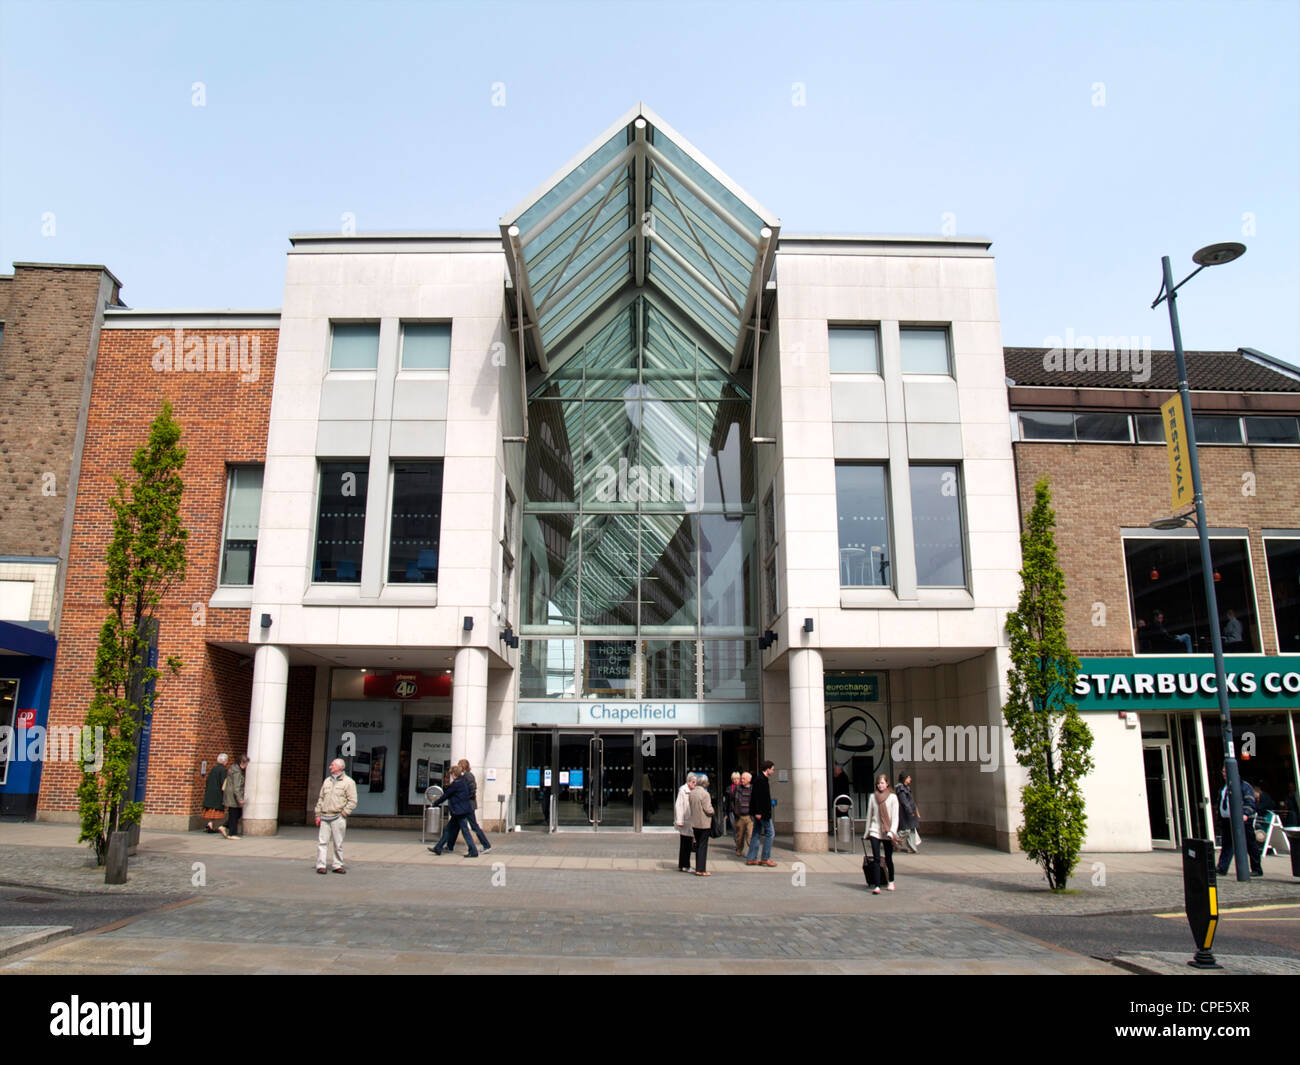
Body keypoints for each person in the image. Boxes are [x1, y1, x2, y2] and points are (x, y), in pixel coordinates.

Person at [1215, 765, 1262, 877]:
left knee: (1250, 844)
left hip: (1242, 820)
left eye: (1226, 771)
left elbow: (1250, 801)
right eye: (1223, 771)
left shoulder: (1243, 786)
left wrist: (1245, 814)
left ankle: (1256, 868)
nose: (1224, 773)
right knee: (1227, 844)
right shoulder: (1224, 787)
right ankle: (1222, 867)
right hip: (1227, 820)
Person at [314, 757, 358, 874]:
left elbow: (352, 801)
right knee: (322, 842)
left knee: (338, 843)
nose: (330, 767)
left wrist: (344, 813)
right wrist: (318, 814)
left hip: (338, 816)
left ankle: (337, 864)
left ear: (339, 767)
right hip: (325, 816)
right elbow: (321, 798)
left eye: (332, 765)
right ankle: (320, 865)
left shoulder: (348, 782)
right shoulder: (327, 781)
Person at [427, 765, 479, 857]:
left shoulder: (456, 784)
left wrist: (435, 803)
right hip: (461, 810)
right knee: (448, 830)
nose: (451, 776)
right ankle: (438, 847)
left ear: (454, 774)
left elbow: (445, 795)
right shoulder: (463, 782)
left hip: (459, 811)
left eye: (451, 774)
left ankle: (473, 851)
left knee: (464, 831)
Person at [446, 758, 491, 854]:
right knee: (456, 825)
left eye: (459, 765)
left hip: (468, 806)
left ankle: (486, 845)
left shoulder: (468, 776)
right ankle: (449, 846)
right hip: (465, 806)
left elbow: (472, 790)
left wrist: (463, 798)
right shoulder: (466, 776)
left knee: (473, 826)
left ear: (462, 766)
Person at [864, 773, 899, 895]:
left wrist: (892, 832)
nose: (880, 785)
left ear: (887, 784)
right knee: (876, 858)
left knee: (888, 858)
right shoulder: (873, 797)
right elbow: (869, 815)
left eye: (882, 783)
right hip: (875, 830)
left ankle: (891, 881)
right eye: (878, 783)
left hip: (887, 831)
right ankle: (877, 885)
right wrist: (866, 832)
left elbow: (895, 817)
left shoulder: (893, 797)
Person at [744, 760, 777, 867]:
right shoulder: (760, 780)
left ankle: (751, 858)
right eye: (772, 769)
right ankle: (765, 858)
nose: (773, 771)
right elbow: (757, 797)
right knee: (770, 833)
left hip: (760, 812)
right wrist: (758, 812)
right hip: (762, 813)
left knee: (756, 833)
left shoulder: (761, 779)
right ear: (767, 769)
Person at [689, 773, 715, 875]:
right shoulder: (705, 794)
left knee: (698, 845)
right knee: (703, 846)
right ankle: (701, 869)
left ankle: (698, 868)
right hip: (704, 823)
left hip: (695, 822)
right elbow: (708, 809)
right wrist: (713, 811)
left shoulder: (692, 793)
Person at [219, 754, 248, 838]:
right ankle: (232, 833)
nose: (246, 766)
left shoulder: (234, 768)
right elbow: (237, 786)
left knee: (236, 813)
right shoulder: (237, 772)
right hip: (233, 796)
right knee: (234, 814)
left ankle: (224, 826)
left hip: (231, 795)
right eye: (246, 764)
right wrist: (240, 798)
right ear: (242, 763)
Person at [674, 772, 698, 871]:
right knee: (686, 844)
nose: (694, 784)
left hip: (690, 821)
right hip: (685, 821)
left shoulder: (693, 790)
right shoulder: (683, 791)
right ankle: (685, 865)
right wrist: (679, 820)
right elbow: (678, 806)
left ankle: (683, 864)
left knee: (687, 843)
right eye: (693, 782)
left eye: (695, 782)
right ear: (688, 782)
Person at [201, 753, 228, 832]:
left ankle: (210, 824)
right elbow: (223, 782)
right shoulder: (223, 770)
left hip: (210, 792)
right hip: (217, 794)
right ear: (224, 761)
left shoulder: (214, 768)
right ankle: (210, 825)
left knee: (211, 810)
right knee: (215, 810)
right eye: (226, 760)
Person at [895, 771, 920, 853]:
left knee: (912, 830)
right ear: (905, 778)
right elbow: (904, 802)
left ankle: (912, 848)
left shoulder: (906, 788)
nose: (910, 779)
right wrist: (910, 811)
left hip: (910, 812)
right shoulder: (901, 789)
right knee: (906, 830)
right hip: (906, 814)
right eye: (909, 777)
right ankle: (893, 840)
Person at [733, 770, 754, 857]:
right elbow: (733, 800)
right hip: (740, 816)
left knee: (750, 835)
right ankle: (739, 849)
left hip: (749, 816)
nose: (742, 780)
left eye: (744, 778)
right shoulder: (738, 788)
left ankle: (751, 852)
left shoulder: (753, 789)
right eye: (741, 778)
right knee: (740, 836)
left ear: (749, 780)